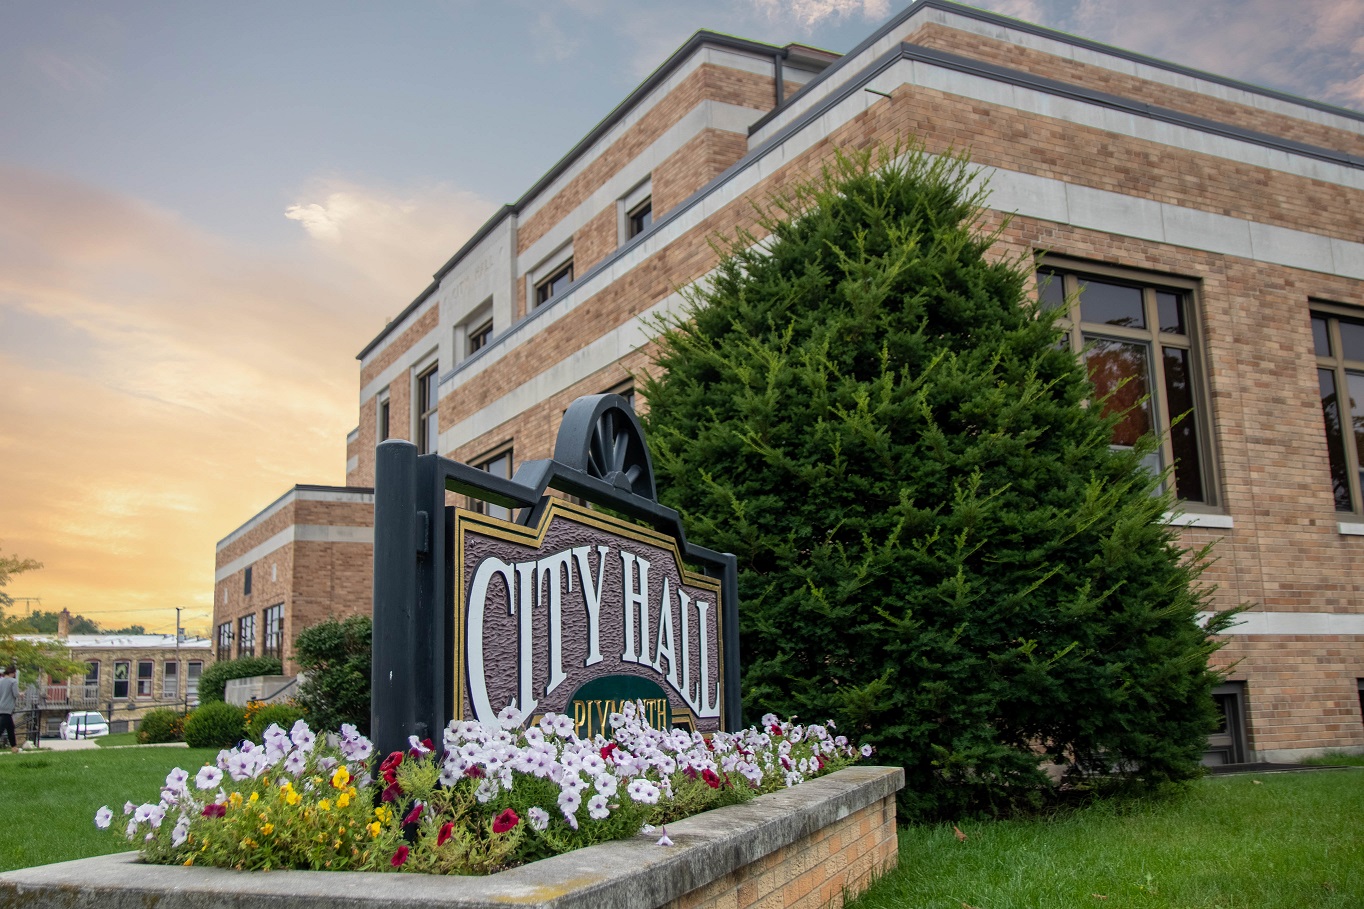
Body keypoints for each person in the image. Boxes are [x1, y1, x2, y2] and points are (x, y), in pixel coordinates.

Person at [0, 666, 19, 754]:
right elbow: (15, 694)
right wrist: (21, 694)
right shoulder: (13, 681)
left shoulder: (0, 681)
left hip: (1, 706)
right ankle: (14, 747)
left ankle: (14, 747)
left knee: (10, 728)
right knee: (1, 728)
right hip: (7, 708)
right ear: (12, 673)